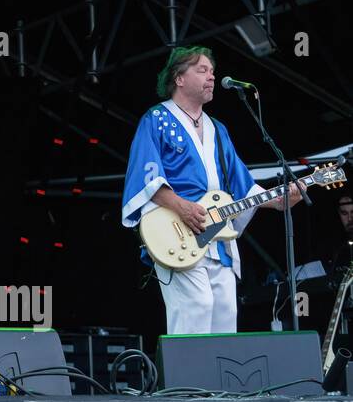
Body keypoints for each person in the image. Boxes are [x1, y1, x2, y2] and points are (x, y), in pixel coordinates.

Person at [121, 46, 301, 334]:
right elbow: (145, 177)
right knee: (197, 306)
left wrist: (280, 200)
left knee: (225, 312)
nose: (212, 77)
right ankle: (186, 380)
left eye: (213, 71)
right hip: (177, 233)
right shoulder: (156, 119)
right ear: (179, 78)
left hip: (218, 239)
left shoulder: (218, 129)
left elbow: (243, 187)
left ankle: (216, 380)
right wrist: (182, 206)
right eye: (202, 70)